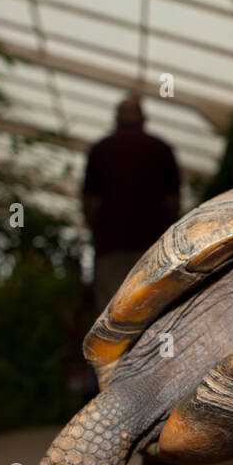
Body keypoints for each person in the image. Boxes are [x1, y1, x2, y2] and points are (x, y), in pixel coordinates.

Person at [81, 93, 181, 312]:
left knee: (111, 306)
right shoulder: (161, 149)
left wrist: (96, 231)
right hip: (151, 242)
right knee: (149, 305)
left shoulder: (101, 150)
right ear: (144, 118)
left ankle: (112, 346)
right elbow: (173, 201)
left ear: (116, 118)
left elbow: (89, 200)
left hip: (110, 242)